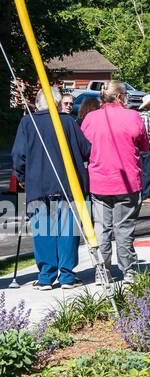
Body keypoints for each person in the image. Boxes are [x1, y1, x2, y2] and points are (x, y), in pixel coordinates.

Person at [13, 90, 91, 289]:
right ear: (57, 103)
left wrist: (22, 178)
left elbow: (18, 154)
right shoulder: (67, 122)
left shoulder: (27, 123)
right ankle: (66, 276)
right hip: (67, 184)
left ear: (38, 104)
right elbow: (86, 149)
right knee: (67, 230)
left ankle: (46, 277)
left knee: (43, 231)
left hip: (38, 183)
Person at [80, 82, 150, 285]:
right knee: (124, 228)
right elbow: (144, 144)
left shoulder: (90, 119)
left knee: (102, 228)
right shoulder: (132, 116)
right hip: (127, 181)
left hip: (99, 180)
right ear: (120, 97)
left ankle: (102, 272)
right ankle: (128, 270)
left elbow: (84, 147)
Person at [136, 95, 150, 203]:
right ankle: (146, 195)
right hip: (147, 148)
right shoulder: (146, 116)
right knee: (148, 171)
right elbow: (146, 133)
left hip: (148, 147)